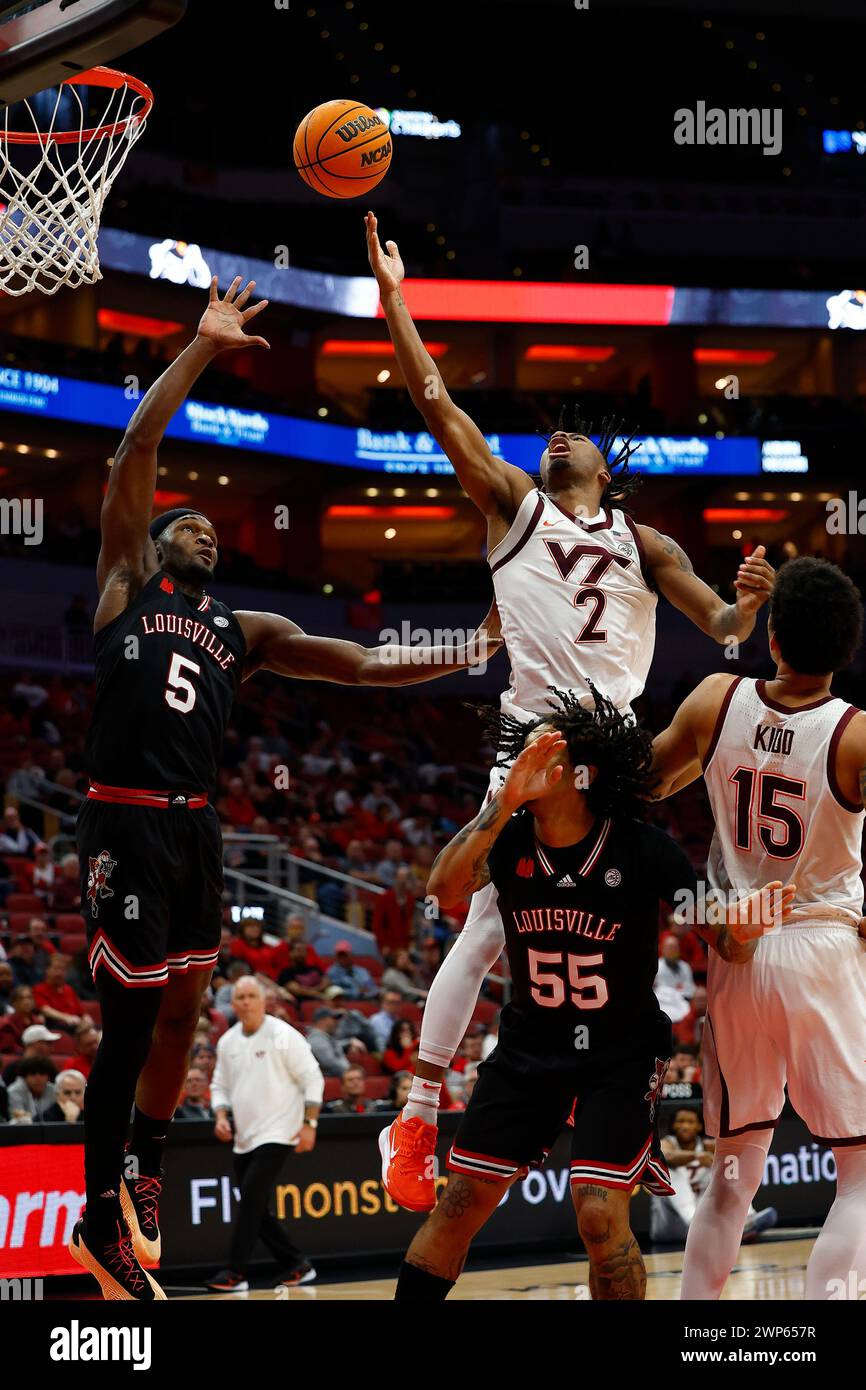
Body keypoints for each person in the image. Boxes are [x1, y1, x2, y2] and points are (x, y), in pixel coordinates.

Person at [68, 275, 502, 1300]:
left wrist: (463, 646)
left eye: (217, 535)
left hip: (197, 836)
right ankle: (99, 1223)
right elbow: (134, 455)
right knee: (128, 1023)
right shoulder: (126, 584)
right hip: (124, 824)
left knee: (182, 1012)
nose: (206, 536)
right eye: (192, 528)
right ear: (157, 540)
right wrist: (203, 346)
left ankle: (141, 1165)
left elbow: (353, 662)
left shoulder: (241, 632)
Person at [365, 212, 776, 1200]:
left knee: (639, 912)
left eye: (572, 431)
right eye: (547, 431)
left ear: (603, 467)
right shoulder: (514, 503)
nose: (553, 432)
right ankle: (417, 1116)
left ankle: (636, 1105)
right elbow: (435, 406)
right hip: (537, 735)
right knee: (485, 920)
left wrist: (752, 602)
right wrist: (394, 299)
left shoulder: (645, 544)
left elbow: (719, 623)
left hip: (621, 748)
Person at [383, 689, 790, 1296]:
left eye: (546, 749)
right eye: (526, 748)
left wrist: (747, 927)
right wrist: (502, 803)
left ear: (582, 772)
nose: (528, 758)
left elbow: (725, 939)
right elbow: (442, 891)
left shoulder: (644, 849)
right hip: (528, 1047)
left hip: (620, 1055)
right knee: (461, 1202)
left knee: (599, 1217)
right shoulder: (511, 838)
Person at [651, 555, 866, 1301]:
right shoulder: (856, 735)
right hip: (821, 946)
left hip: (736, 946)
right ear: (849, 651)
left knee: (733, 1175)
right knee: (862, 1178)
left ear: (771, 638)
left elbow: (640, 784)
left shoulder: (715, 698)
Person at [207, 977, 323, 1292]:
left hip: (280, 1132)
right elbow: (219, 1085)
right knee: (253, 1204)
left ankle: (235, 1273)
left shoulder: (283, 1035)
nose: (245, 1002)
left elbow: (313, 1078)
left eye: (251, 996)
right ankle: (296, 1265)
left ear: (264, 1000)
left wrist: (309, 1124)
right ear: (232, 1004)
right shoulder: (227, 1042)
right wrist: (220, 1114)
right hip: (245, 1136)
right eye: (240, 997)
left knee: (251, 1201)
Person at [650, 1108, 777, 1245]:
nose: (685, 1126)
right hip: (671, 1226)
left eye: (690, 1122)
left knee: (723, 1169)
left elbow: (736, 1156)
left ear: (699, 1126)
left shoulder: (707, 1146)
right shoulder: (667, 1143)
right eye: (681, 1122)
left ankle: (746, 1219)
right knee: (673, 1172)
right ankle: (697, 1226)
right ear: (673, 1125)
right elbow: (666, 1156)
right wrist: (696, 1156)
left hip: (705, 1226)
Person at [33, 954, 84, 1031]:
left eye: (62, 969)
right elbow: (45, 1010)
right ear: (47, 970)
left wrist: (87, 1019)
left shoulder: (69, 989)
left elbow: (81, 1012)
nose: (59, 973)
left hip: (77, 1026)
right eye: (55, 969)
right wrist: (66, 1018)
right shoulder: (38, 989)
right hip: (58, 1027)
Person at [7, 1056, 57, 1122]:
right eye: (33, 1074)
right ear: (24, 1077)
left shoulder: (55, 1091)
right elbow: (19, 1120)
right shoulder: (14, 1091)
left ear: (48, 1076)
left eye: (42, 1074)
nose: (38, 1078)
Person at [369, 989, 407, 1053]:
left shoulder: (399, 1020)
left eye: (398, 1003)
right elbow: (387, 1039)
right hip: (385, 1052)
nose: (395, 1006)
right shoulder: (376, 1019)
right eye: (391, 1002)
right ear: (383, 1003)